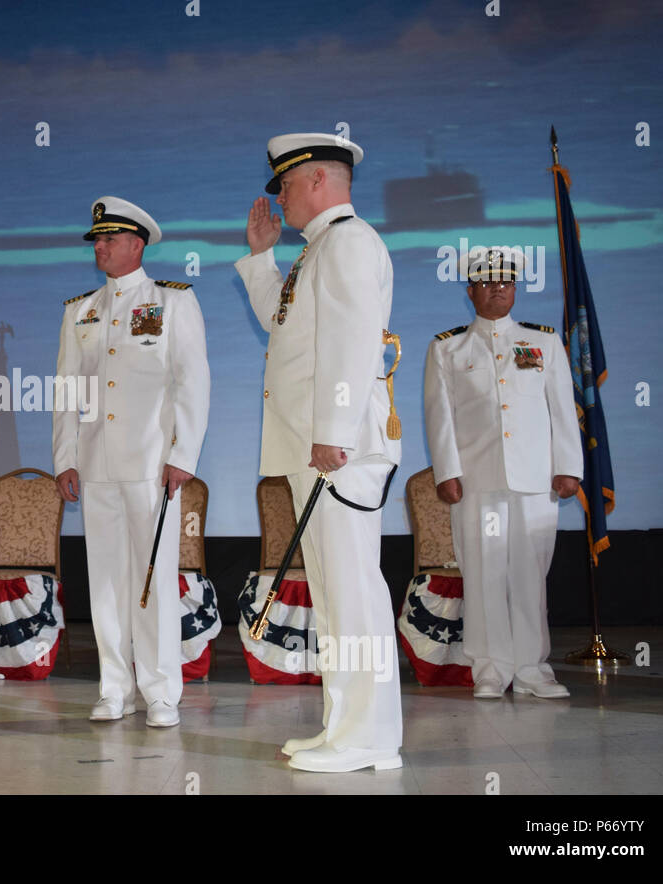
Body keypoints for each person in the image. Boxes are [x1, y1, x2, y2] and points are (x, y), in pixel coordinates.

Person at [235, 133, 403, 773]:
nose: (278, 196)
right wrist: (260, 260)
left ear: (315, 182)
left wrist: (333, 427)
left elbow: (356, 343)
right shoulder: (317, 252)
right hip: (320, 448)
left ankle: (369, 736)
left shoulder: (351, 243)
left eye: (284, 184)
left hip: (340, 450)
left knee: (354, 592)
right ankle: (344, 726)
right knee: (333, 594)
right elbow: (289, 336)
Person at [52, 196, 210, 728]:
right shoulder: (81, 309)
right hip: (96, 465)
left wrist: (183, 453)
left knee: (155, 579)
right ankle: (114, 687)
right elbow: (69, 391)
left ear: (137, 244)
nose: (100, 246)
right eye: (96, 240)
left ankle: (161, 690)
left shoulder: (171, 302)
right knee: (108, 582)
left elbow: (192, 381)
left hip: (152, 463)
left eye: (110, 239)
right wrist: (65, 458)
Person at [424, 246, 582, 700]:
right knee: (483, 574)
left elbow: (561, 412)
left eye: (507, 282)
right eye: (489, 282)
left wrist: (568, 466)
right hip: (477, 480)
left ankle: (533, 669)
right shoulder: (448, 347)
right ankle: (489, 670)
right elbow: (441, 417)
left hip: (535, 481)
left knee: (530, 577)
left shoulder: (544, 342)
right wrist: (446, 471)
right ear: (471, 291)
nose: (499, 288)